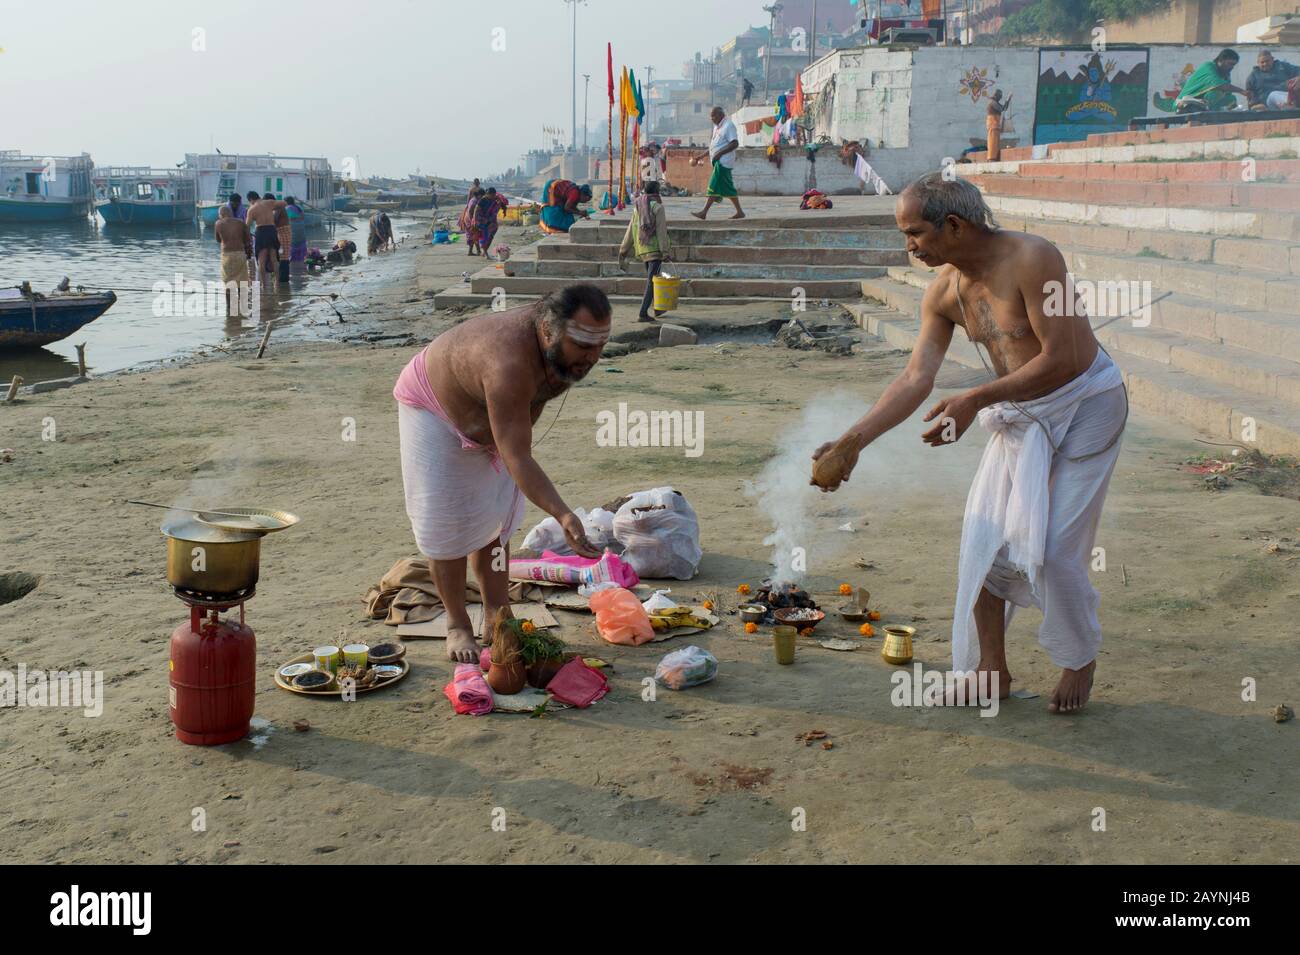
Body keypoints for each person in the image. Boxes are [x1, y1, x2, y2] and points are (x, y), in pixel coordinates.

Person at [811, 173, 1127, 715]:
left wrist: (976, 400)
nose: (908, 246)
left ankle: (1078, 658)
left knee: (1052, 552)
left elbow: (1067, 360)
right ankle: (990, 672)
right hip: (1021, 413)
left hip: (1087, 406)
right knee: (983, 539)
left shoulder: (1035, 259)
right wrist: (853, 441)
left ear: (953, 226)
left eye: (914, 233)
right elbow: (915, 379)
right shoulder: (944, 292)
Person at [393, 284, 612, 662]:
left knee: (495, 520)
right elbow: (519, 458)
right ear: (548, 332)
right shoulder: (507, 363)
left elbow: (523, 428)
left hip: (494, 416)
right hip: (434, 408)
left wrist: (506, 439)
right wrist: (562, 513)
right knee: (447, 522)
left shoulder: (557, 345)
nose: (592, 357)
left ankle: (497, 612)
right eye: (582, 345)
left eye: (600, 346)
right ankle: (458, 625)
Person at [618, 179, 671, 322]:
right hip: (654, 249)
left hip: (642, 248)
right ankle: (642, 313)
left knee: (654, 277)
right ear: (657, 192)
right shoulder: (658, 208)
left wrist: (624, 248)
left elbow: (630, 230)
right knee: (652, 281)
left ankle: (658, 309)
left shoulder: (638, 206)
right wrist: (665, 251)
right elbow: (661, 231)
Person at [690, 107, 744, 220]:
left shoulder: (729, 125)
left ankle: (704, 212)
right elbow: (712, 147)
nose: (712, 118)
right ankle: (739, 212)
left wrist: (719, 153)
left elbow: (734, 143)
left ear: (720, 115)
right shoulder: (716, 128)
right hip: (718, 162)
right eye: (711, 116)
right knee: (728, 188)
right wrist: (700, 156)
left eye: (713, 116)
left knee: (713, 186)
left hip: (723, 162)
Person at [1176, 49, 1244, 113]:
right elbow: (1218, 85)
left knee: (1231, 98)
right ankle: (1209, 113)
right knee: (1216, 93)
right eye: (1230, 64)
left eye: (1234, 65)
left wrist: (1233, 107)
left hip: (1204, 103)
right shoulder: (1208, 66)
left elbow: (1227, 93)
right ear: (1221, 60)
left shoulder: (1226, 75)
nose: (1232, 67)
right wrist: (1242, 91)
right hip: (1186, 102)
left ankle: (1217, 116)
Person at [214, 205, 251, 317]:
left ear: (221, 214)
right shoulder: (240, 223)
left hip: (227, 255)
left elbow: (218, 240)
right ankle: (243, 307)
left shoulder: (218, 224)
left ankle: (229, 310)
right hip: (240, 254)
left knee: (228, 282)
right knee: (242, 282)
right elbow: (247, 239)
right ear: (230, 213)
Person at [245, 193, 286, 289]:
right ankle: (277, 282)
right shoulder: (269, 203)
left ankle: (264, 285)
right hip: (271, 230)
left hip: (261, 232)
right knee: (274, 259)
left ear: (251, 200)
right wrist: (274, 209)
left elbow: (247, 226)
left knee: (261, 261)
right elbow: (284, 203)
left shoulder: (252, 209)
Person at [473, 187, 508, 259]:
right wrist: (474, 220)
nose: (492, 196)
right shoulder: (483, 200)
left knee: (491, 235)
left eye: (493, 195)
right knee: (484, 236)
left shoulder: (496, 198)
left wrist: (504, 210)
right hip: (482, 221)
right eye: (491, 195)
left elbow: (502, 204)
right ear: (487, 194)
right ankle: (485, 253)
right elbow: (476, 210)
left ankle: (484, 251)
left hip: (491, 220)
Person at [985, 90, 1011, 161]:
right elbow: (1002, 109)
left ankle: (994, 157)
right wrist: (1008, 99)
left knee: (995, 141)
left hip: (995, 124)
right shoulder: (992, 102)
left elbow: (1003, 108)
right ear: (996, 95)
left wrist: (1008, 100)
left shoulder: (994, 102)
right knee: (992, 141)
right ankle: (991, 157)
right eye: (1000, 96)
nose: (1000, 98)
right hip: (993, 124)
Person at [284, 196, 308, 273]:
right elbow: (303, 218)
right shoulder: (299, 208)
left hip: (293, 232)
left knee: (292, 251)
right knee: (300, 252)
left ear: (286, 202)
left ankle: (294, 270)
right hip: (302, 233)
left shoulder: (287, 208)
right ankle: (300, 269)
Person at [459, 188, 483, 255]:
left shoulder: (474, 199)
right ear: (479, 195)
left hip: (469, 219)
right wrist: (473, 221)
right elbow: (470, 212)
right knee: (474, 235)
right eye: (482, 196)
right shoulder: (474, 201)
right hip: (469, 220)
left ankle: (473, 251)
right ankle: (477, 251)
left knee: (473, 235)